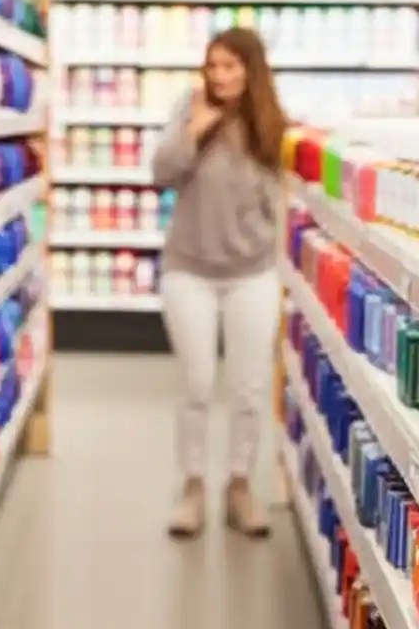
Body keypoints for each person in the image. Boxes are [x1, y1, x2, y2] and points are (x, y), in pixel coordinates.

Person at [152, 27, 286, 539]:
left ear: (251, 70)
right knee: (198, 383)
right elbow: (159, 172)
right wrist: (193, 133)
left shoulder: (268, 122)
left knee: (250, 388)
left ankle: (239, 486)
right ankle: (191, 486)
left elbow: (278, 197)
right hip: (189, 270)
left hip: (252, 272)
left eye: (231, 66)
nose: (221, 76)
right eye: (214, 66)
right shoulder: (189, 108)